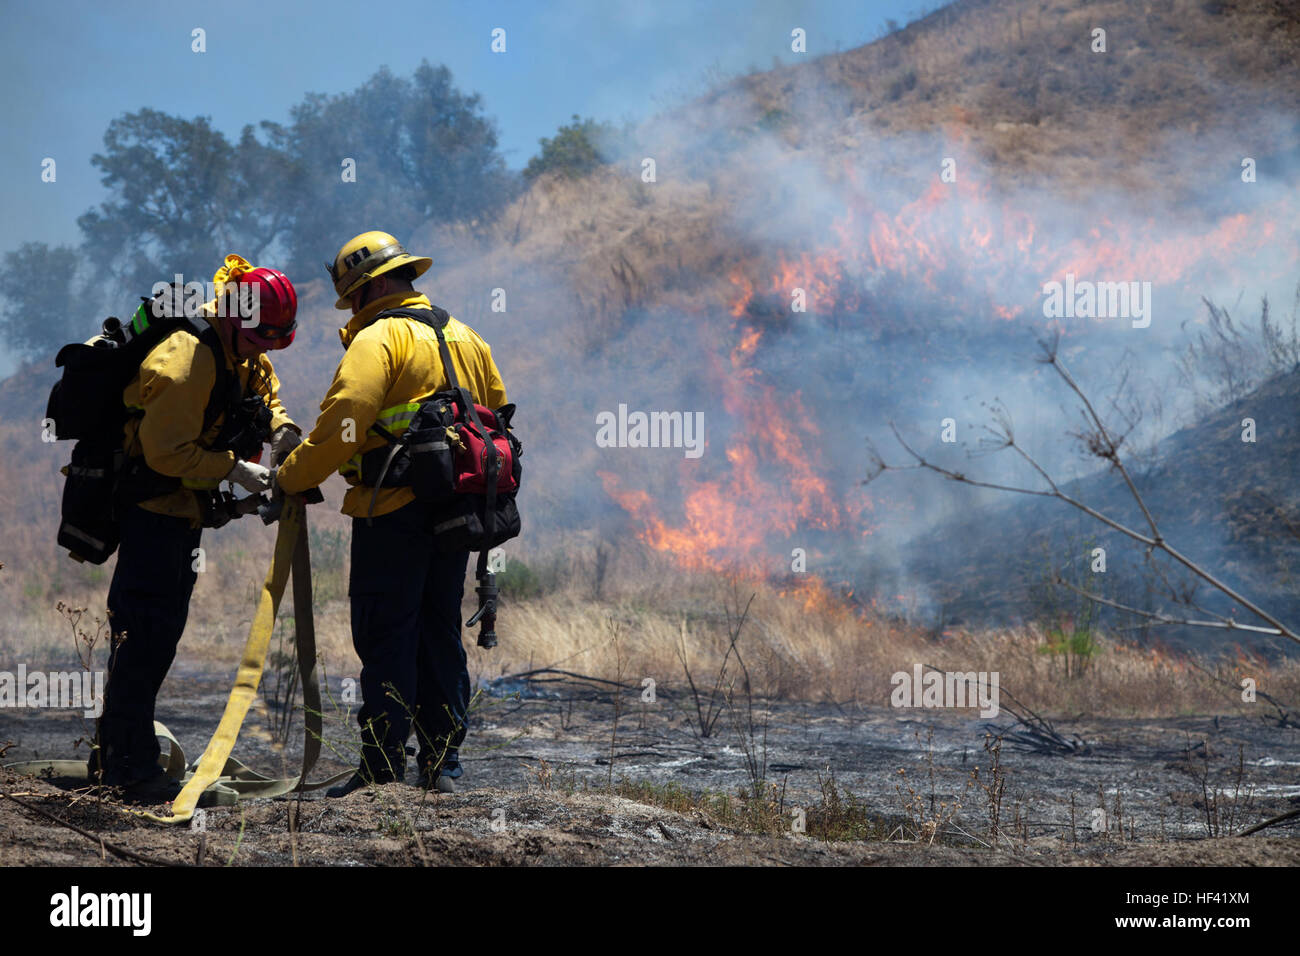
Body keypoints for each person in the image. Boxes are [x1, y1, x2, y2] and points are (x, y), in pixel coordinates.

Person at [276, 230, 508, 796]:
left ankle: (381, 770)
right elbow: (497, 412)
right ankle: (443, 768)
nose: (352, 310)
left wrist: (293, 477)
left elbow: (347, 417)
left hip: (393, 511)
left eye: (353, 296)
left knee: (387, 635)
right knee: (439, 634)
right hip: (458, 515)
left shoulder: (378, 338)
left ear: (373, 287)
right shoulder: (465, 333)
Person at [90, 255, 302, 803]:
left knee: (158, 639)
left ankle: (125, 755)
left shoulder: (240, 348)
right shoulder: (188, 355)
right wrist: (236, 470)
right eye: (259, 341)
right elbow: (167, 453)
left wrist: (282, 431)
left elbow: (263, 390)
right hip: (152, 514)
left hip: (181, 515)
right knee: (143, 640)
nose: (263, 352)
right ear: (235, 318)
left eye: (273, 345)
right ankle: (124, 767)